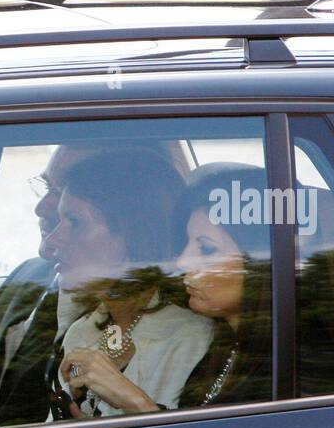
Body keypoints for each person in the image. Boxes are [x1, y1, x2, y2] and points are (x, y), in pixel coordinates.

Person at [0, 142, 190, 428]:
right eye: (47, 186)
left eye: (73, 217)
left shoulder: (189, 339)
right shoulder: (33, 283)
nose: (41, 208)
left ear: (130, 229)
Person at [58, 165, 273, 413]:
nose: (182, 261)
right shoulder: (227, 348)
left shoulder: (293, 363)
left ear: (262, 262)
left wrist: (132, 400)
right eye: (186, 243)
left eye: (206, 249)